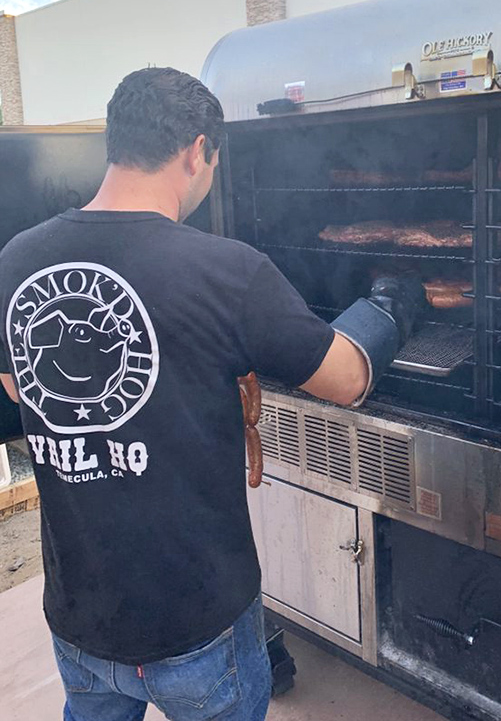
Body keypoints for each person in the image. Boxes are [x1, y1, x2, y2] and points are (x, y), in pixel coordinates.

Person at [0, 67, 421, 721]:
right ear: (197, 150)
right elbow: (348, 378)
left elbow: (20, 386)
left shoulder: (16, 260)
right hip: (196, 628)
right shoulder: (227, 270)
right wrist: (392, 299)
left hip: (80, 620)